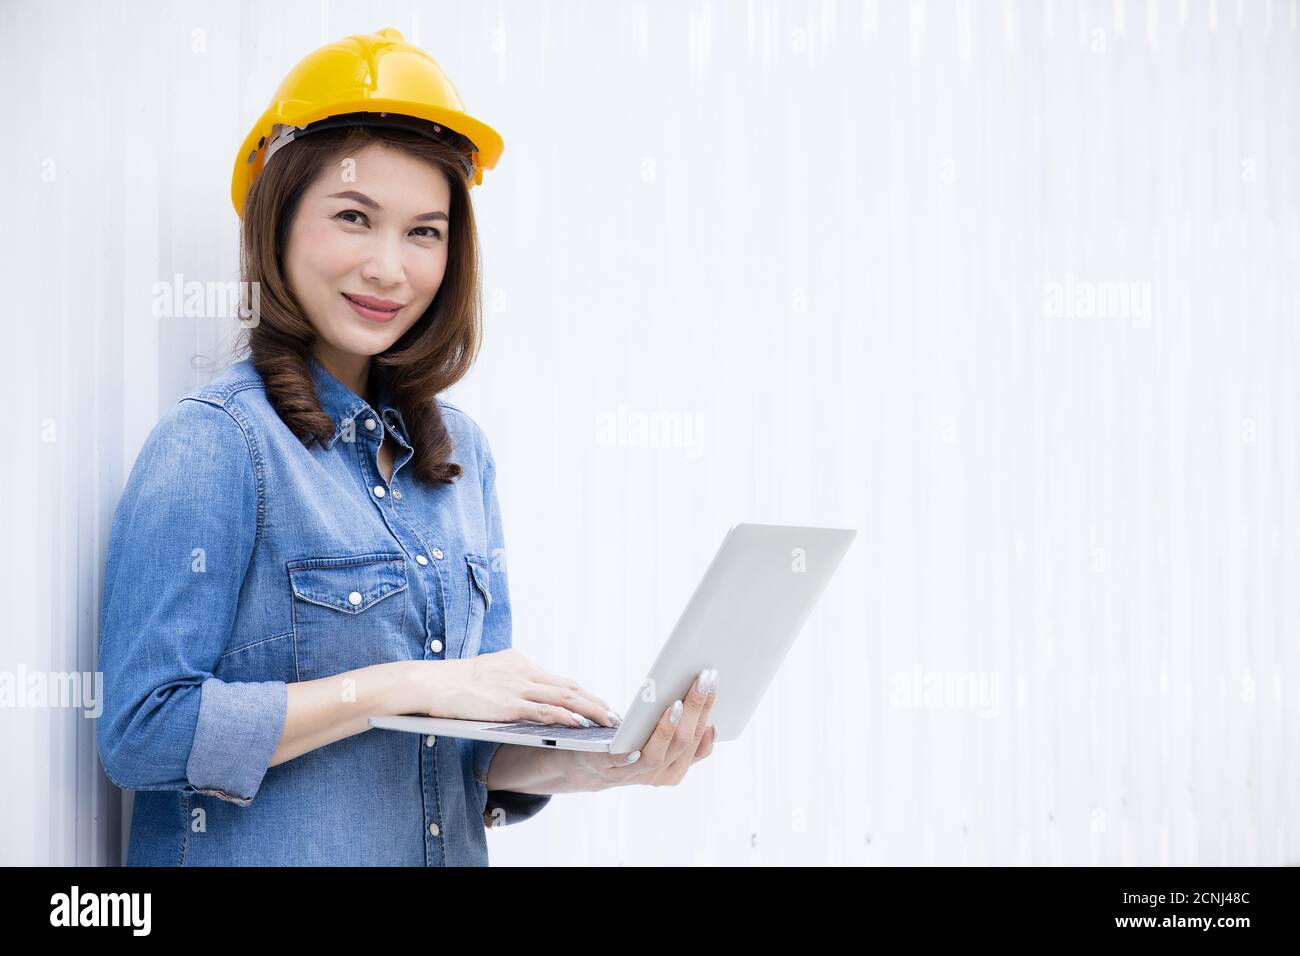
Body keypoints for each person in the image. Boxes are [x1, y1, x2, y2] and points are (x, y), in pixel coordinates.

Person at [95, 27, 717, 866]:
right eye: (354, 217)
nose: (390, 268)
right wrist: (407, 685)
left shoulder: (462, 457)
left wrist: (603, 763)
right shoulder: (217, 444)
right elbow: (143, 732)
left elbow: (471, 748)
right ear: (278, 220)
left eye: (425, 232)